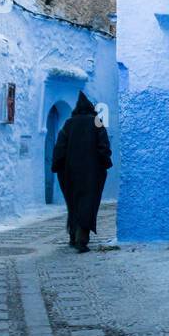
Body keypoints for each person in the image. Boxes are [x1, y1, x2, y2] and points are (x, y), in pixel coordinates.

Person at [50, 92, 112, 253]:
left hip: (70, 173)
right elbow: (104, 147)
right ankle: (81, 240)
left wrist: (57, 166)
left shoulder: (69, 124)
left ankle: (73, 235)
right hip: (92, 173)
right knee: (88, 203)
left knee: (73, 203)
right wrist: (104, 165)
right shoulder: (97, 122)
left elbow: (60, 148)